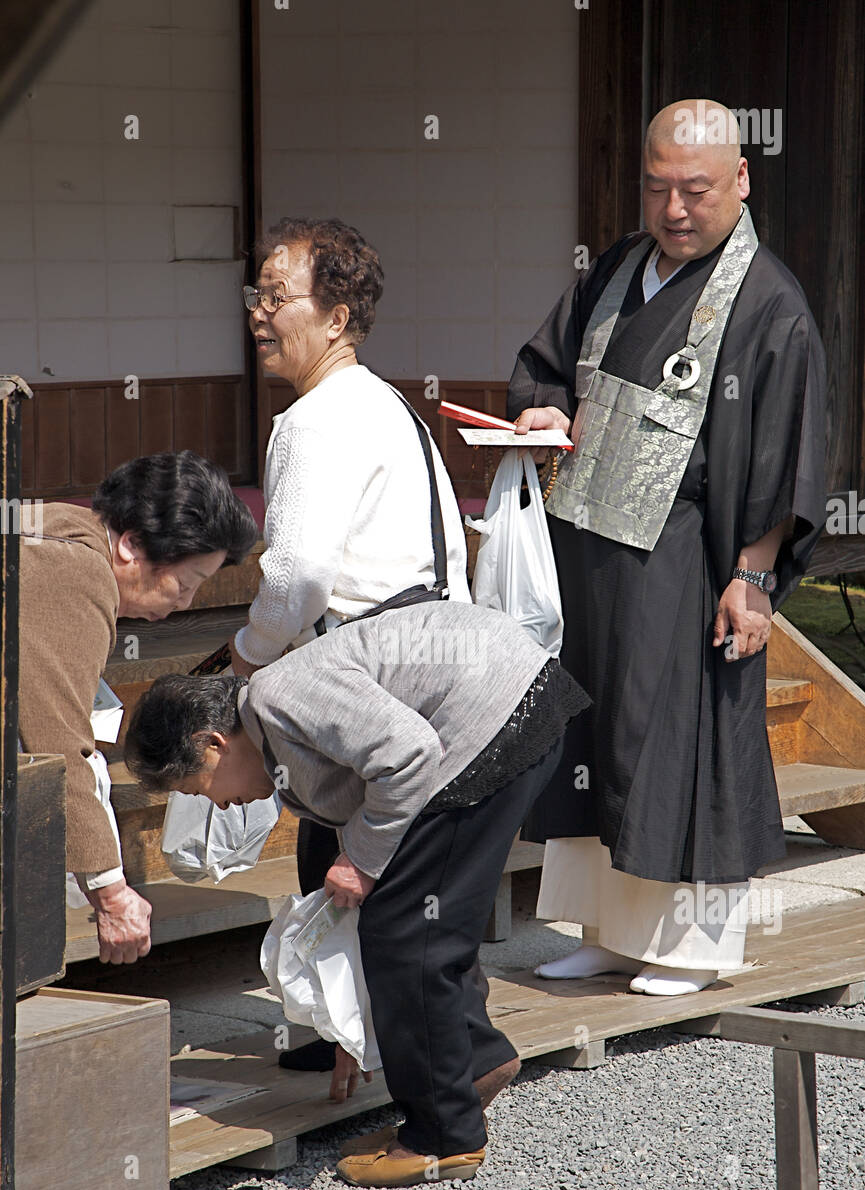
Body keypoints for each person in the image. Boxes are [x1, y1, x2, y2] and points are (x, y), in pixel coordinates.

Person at [507, 99, 826, 997]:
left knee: (675, 738)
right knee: (594, 732)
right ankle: (609, 932)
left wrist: (752, 576)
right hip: (591, 549)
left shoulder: (768, 303)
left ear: (740, 180)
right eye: (657, 189)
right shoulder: (615, 270)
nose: (674, 210)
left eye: (696, 190)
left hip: (688, 559)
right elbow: (547, 362)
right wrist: (543, 406)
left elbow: (786, 452)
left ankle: (689, 947)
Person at [124, 601, 589, 1187]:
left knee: (407, 933)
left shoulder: (277, 697)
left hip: (493, 709)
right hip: (502, 704)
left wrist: (363, 863)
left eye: (199, 789)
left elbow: (408, 754)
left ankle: (441, 1138)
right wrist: (353, 1028)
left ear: (213, 743)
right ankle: (471, 1066)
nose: (218, 804)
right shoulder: (274, 727)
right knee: (415, 918)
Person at [228, 216, 471, 896]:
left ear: (336, 318)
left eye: (277, 297)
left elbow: (298, 574)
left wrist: (252, 646)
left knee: (346, 890)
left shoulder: (315, 419)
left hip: (363, 680)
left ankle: (341, 1006)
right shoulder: (386, 402)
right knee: (406, 893)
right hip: (433, 668)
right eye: (257, 295)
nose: (259, 314)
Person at [18, 452, 258, 965]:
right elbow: (58, 740)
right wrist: (110, 891)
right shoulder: (75, 571)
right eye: (186, 582)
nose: (186, 603)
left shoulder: (62, 527)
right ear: (130, 546)